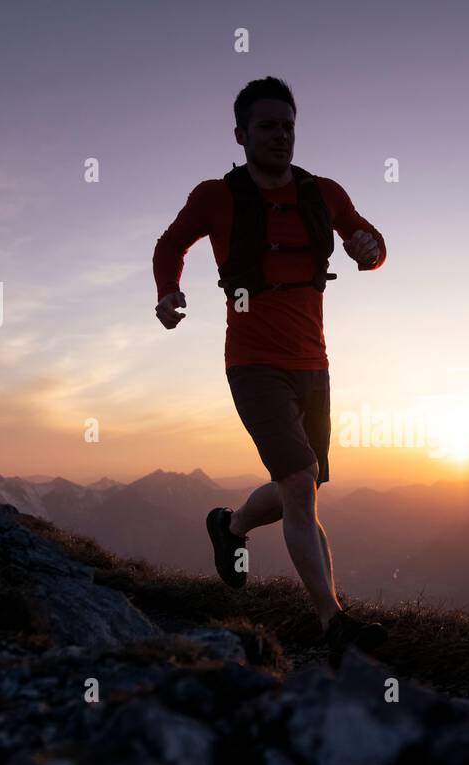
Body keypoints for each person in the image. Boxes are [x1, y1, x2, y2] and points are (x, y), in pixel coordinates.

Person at [152, 76, 388, 669]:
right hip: (252, 363)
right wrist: (168, 295)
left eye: (287, 125)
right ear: (240, 135)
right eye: (266, 126)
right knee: (302, 484)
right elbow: (170, 244)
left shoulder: (323, 193)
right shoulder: (216, 196)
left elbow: (371, 238)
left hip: (315, 364)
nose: (280, 135)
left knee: (300, 487)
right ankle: (334, 624)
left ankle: (230, 527)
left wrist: (368, 250)